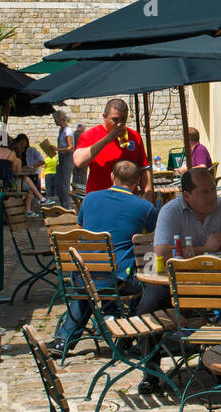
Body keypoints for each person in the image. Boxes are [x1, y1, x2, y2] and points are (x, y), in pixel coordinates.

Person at [48, 161, 158, 360]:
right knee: (144, 277)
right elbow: (154, 239)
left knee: (91, 283)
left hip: (82, 276)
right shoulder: (145, 207)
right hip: (119, 280)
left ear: (111, 177)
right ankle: (125, 328)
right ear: (137, 182)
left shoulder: (89, 199)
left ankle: (63, 339)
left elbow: (81, 230)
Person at [74, 99, 153, 201]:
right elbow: (78, 161)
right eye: (115, 120)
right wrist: (107, 139)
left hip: (127, 201)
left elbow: (144, 169)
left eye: (123, 120)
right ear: (104, 117)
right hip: (99, 200)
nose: (119, 124)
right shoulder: (90, 135)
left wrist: (148, 195)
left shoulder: (134, 136)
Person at [52, 110, 76, 209]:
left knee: (64, 184)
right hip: (61, 158)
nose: (54, 121)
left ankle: (67, 207)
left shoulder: (68, 131)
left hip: (67, 158)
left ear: (59, 119)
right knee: (58, 183)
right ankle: (63, 205)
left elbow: (71, 147)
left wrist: (57, 149)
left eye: (55, 119)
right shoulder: (60, 130)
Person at [71, 123, 88, 191]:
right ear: (81, 128)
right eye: (84, 128)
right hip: (82, 156)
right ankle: (82, 189)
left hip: (74, 157)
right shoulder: (83, 135)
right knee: (83, 174)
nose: (84, 130)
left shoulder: (72, 135)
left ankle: (74, 189)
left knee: (75, 174)